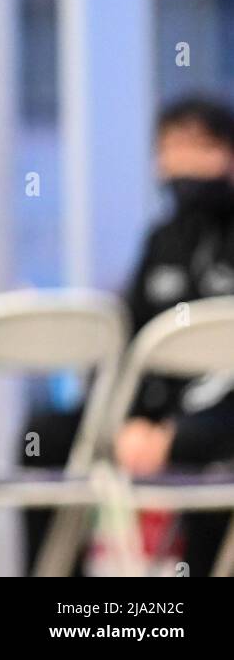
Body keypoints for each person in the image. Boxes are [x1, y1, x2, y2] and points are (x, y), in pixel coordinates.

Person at [20, 96, 234, 576]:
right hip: (151, 414)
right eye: (171, 148)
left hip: (220, 416)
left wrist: (175, 433)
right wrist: (122, 419)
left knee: (202, 450)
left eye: (200, 147)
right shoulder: (161, 241)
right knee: (44, 436)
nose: (183, 162)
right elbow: (126, 341)